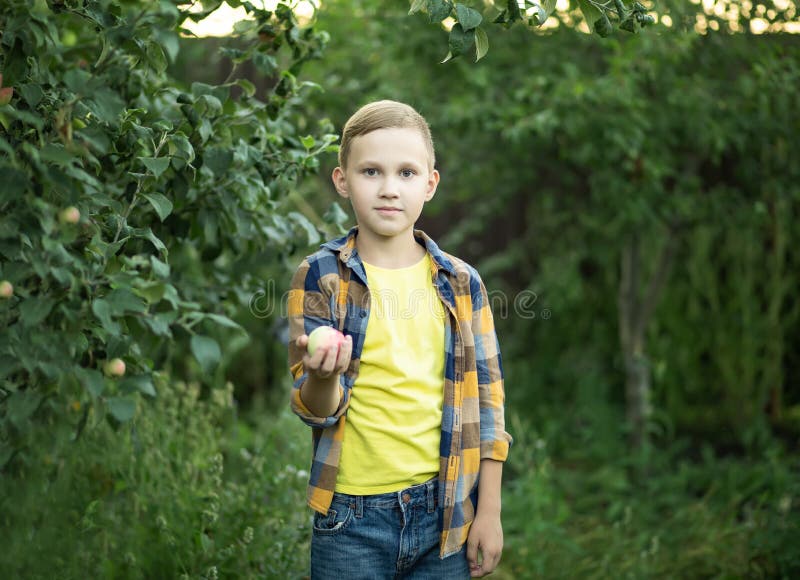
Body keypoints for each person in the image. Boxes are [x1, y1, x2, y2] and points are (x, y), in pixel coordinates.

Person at [287, 100, 512, 579]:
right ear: (342, 180)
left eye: (407, 173)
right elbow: (314, 407)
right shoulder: (321, 276)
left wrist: (487, 511)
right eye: (371, 171)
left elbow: (489, 404)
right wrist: (323, 374)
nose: (389, 189)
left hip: (446, 516)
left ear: (430, 183)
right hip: (350, 520)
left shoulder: (462, 282)